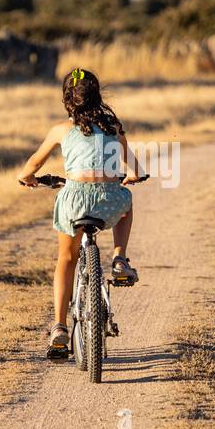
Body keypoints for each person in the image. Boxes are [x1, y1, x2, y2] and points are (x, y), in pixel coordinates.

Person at [17, 68, 144, 359]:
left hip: (74, 199)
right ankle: (119, 258)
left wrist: (27, 176)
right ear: (98, 95)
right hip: (109, 199)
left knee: (66, 258)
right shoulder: (114, 126)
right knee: (127, 203)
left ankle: (60, 326)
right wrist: (133, 177)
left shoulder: (61, 130)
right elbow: (133, 167)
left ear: (67, 100)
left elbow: (35, 162)